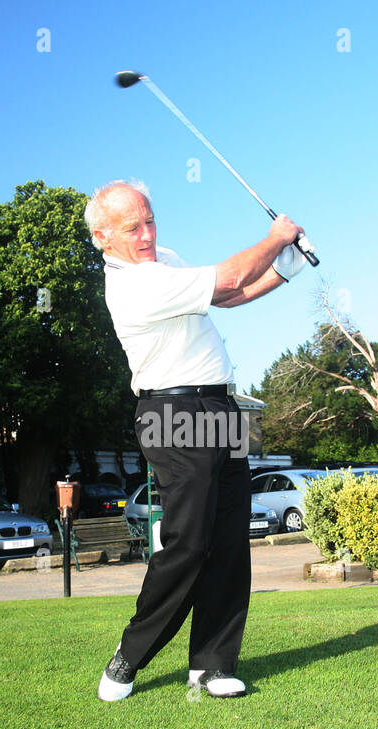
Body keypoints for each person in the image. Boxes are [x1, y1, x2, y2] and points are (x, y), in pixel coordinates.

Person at [83, 180, 307, 701]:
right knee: (190, 542)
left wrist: (286, 265)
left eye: (150, 219)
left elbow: (230, 294)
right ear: (103, 237)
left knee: (230, 538)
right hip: (173, 412)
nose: (146, 234)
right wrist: (276, 237)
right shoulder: (132, 285)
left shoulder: (166, 262)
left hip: (220, 406)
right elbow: (230, 273)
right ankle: (128, 657)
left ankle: (212, 665)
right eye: (131, 227)